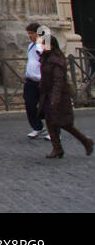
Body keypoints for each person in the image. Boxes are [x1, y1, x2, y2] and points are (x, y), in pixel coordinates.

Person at [37, 27, 93, 159]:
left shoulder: (57, 60)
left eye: (43, 44)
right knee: (50, 123)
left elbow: (59, 81)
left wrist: (55, 98)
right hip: (47, 95)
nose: (42, 47)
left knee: (64, 123)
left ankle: (86, 141)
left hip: (59, 96)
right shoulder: (45, 58)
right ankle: (57, 149)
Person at [23, 23, 49, 140]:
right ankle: (37, 127)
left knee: (48, 107)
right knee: (30, 105)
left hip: (43, 81)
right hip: (31, 81)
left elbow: (45, 55)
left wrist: (41, 39)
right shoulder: (30, 46)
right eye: (28, 33)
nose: (30, 36)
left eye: (31, 33)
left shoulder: (44, 44)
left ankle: (54, 131)